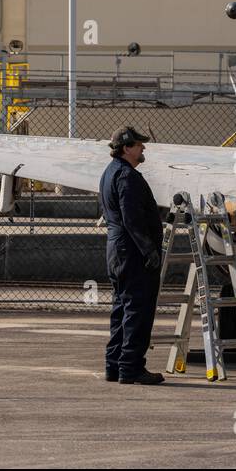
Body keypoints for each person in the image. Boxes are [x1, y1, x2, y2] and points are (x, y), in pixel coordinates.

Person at [100, 126, 165, 385]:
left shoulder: (109, 173)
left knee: (122, 309)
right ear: (127, 148)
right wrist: (150, 251)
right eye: (139, 145)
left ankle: (114, 365)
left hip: (117, 251)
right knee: (138, 311)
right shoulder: (127, 177)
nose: (143, 148)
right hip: (133, 253)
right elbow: (133, 220)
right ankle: (131, 367)